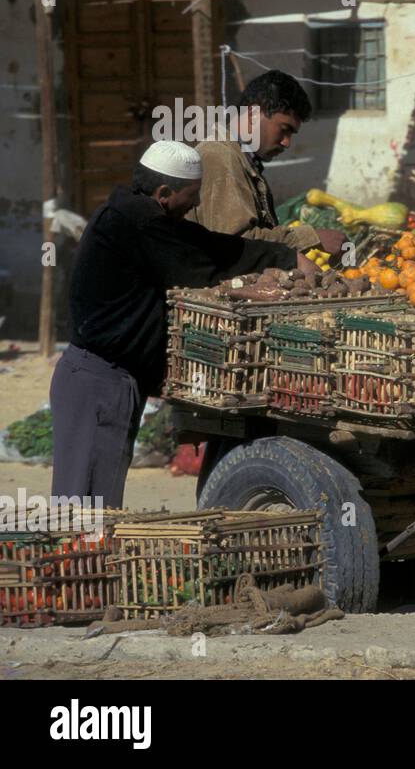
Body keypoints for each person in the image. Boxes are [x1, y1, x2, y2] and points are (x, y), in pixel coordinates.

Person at [51, 141, 310, 508]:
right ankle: (81, 566)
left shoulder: (137, 215)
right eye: (191, 196)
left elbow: (207, 243)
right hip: (99, 385)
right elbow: (202, 266)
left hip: (104, 382)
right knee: (87, 508)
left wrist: (286, 255)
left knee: (94, 502)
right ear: (163, 193)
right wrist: (281, 264)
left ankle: (88, 563)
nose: (196, 205)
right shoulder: (138, 226)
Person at [188, 70, 346, 256]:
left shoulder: (241, 158)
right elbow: (236, 243)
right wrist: (311, 237)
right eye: (284, 130)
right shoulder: (219, 158)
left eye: (291, 134)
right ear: (253, 114)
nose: (287, 143)